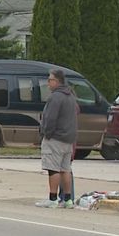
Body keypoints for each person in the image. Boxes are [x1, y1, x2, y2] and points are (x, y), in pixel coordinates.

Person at [35, 68, 78, 209]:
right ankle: (67, 199)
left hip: (55, 138)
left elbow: (50, 118)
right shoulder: (70, 96)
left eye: (50, 80)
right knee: (65, 169)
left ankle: (53, 198)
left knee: (53, 169)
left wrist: (46, 133)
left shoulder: (55, 97)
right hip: (68, 139)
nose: (48, 83)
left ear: (57, 81)